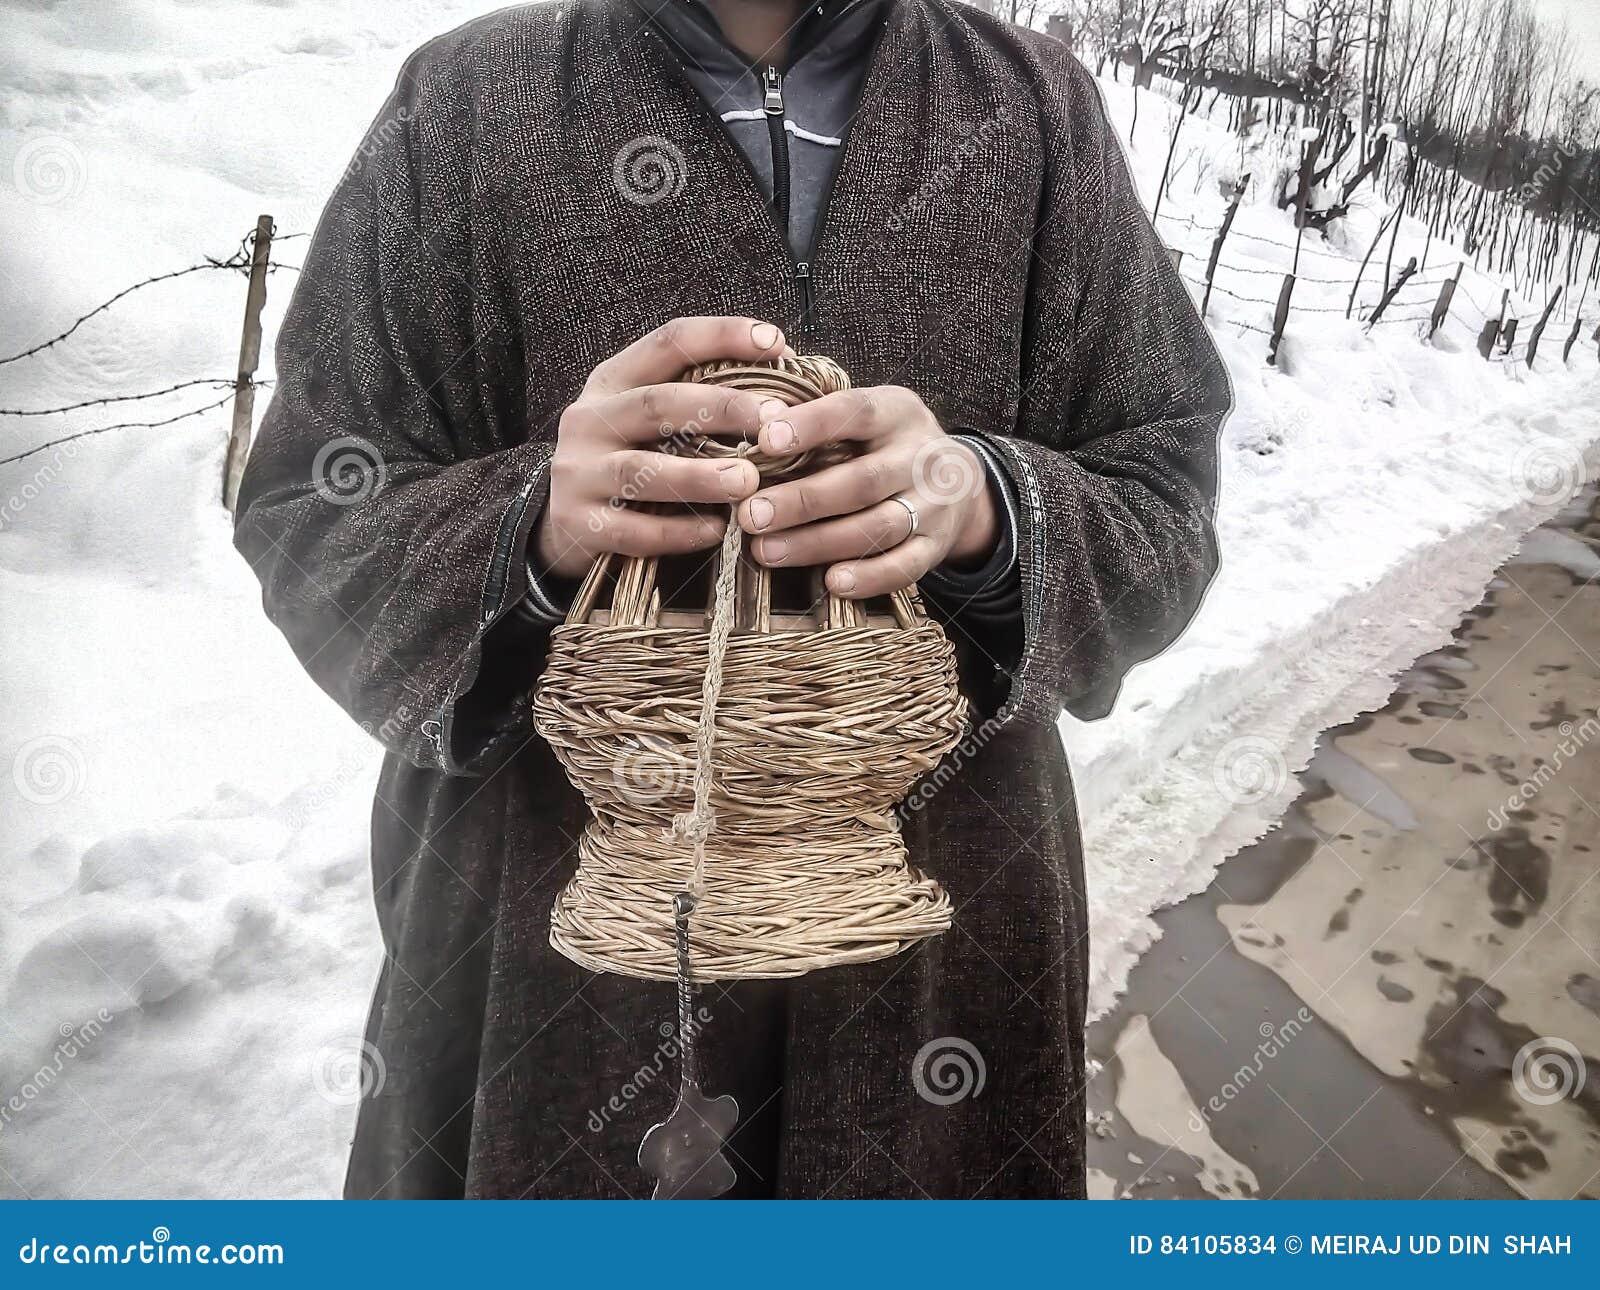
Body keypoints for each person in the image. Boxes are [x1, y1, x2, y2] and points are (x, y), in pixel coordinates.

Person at [234, 0, 1231, 1199]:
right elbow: (310, 510)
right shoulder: (466, 103)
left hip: (945, 984)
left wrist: (982, 506)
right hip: (531, 975)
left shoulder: (1030, 107)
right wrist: (535, 524)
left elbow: (1162, 502)